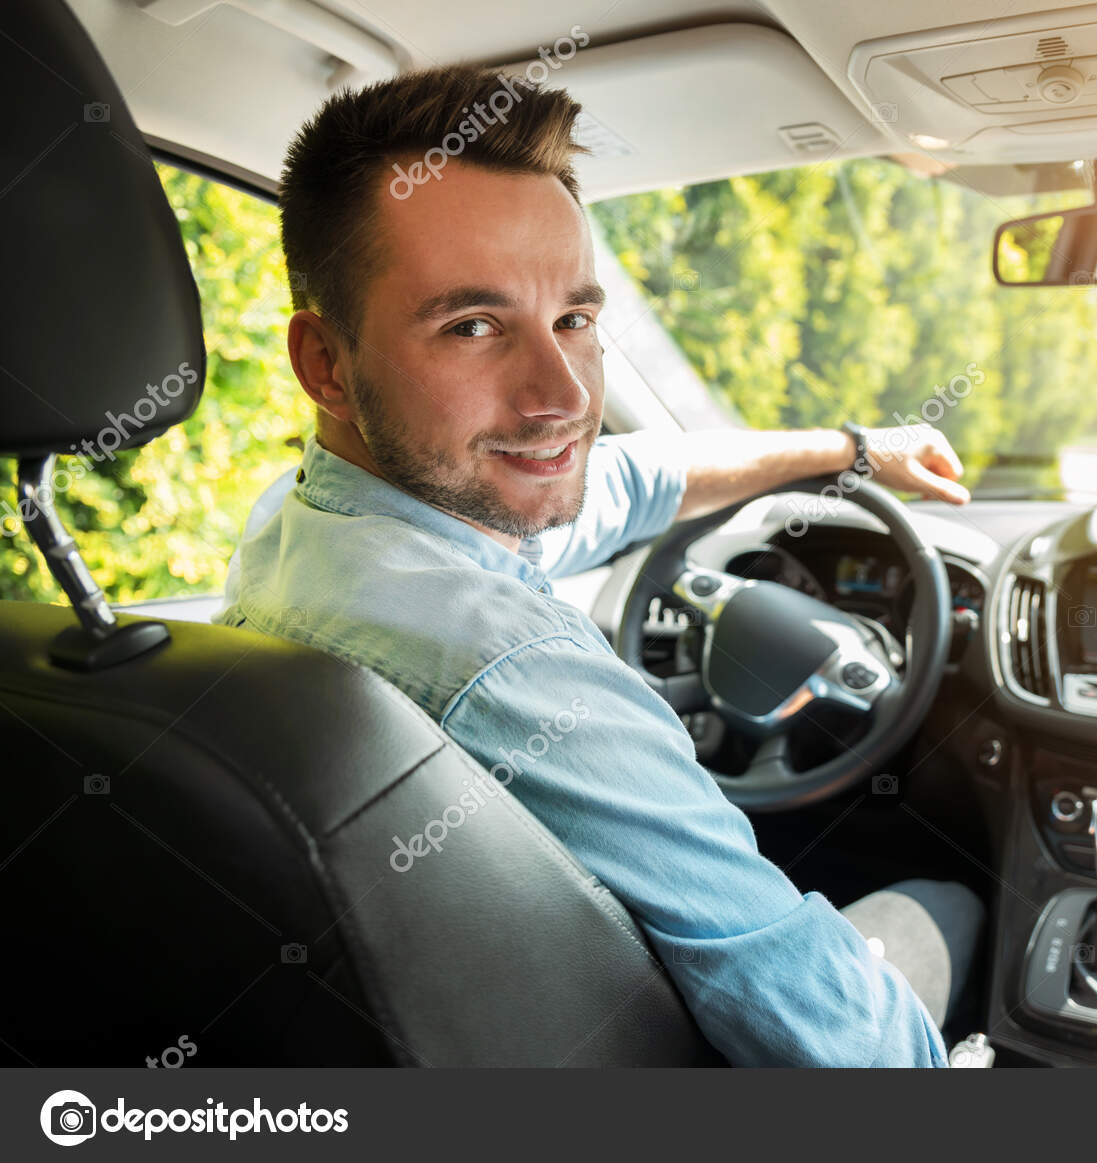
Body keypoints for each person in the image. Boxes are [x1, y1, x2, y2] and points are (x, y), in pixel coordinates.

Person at [216, 64, 984, 1067]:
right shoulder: (514, 666)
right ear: (324, 363)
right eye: (473, 326)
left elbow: (625, 482)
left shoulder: (301, 527)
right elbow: (846, 1043)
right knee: (952, 902)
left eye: (575, 320)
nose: (562, 395)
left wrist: (848, 450)